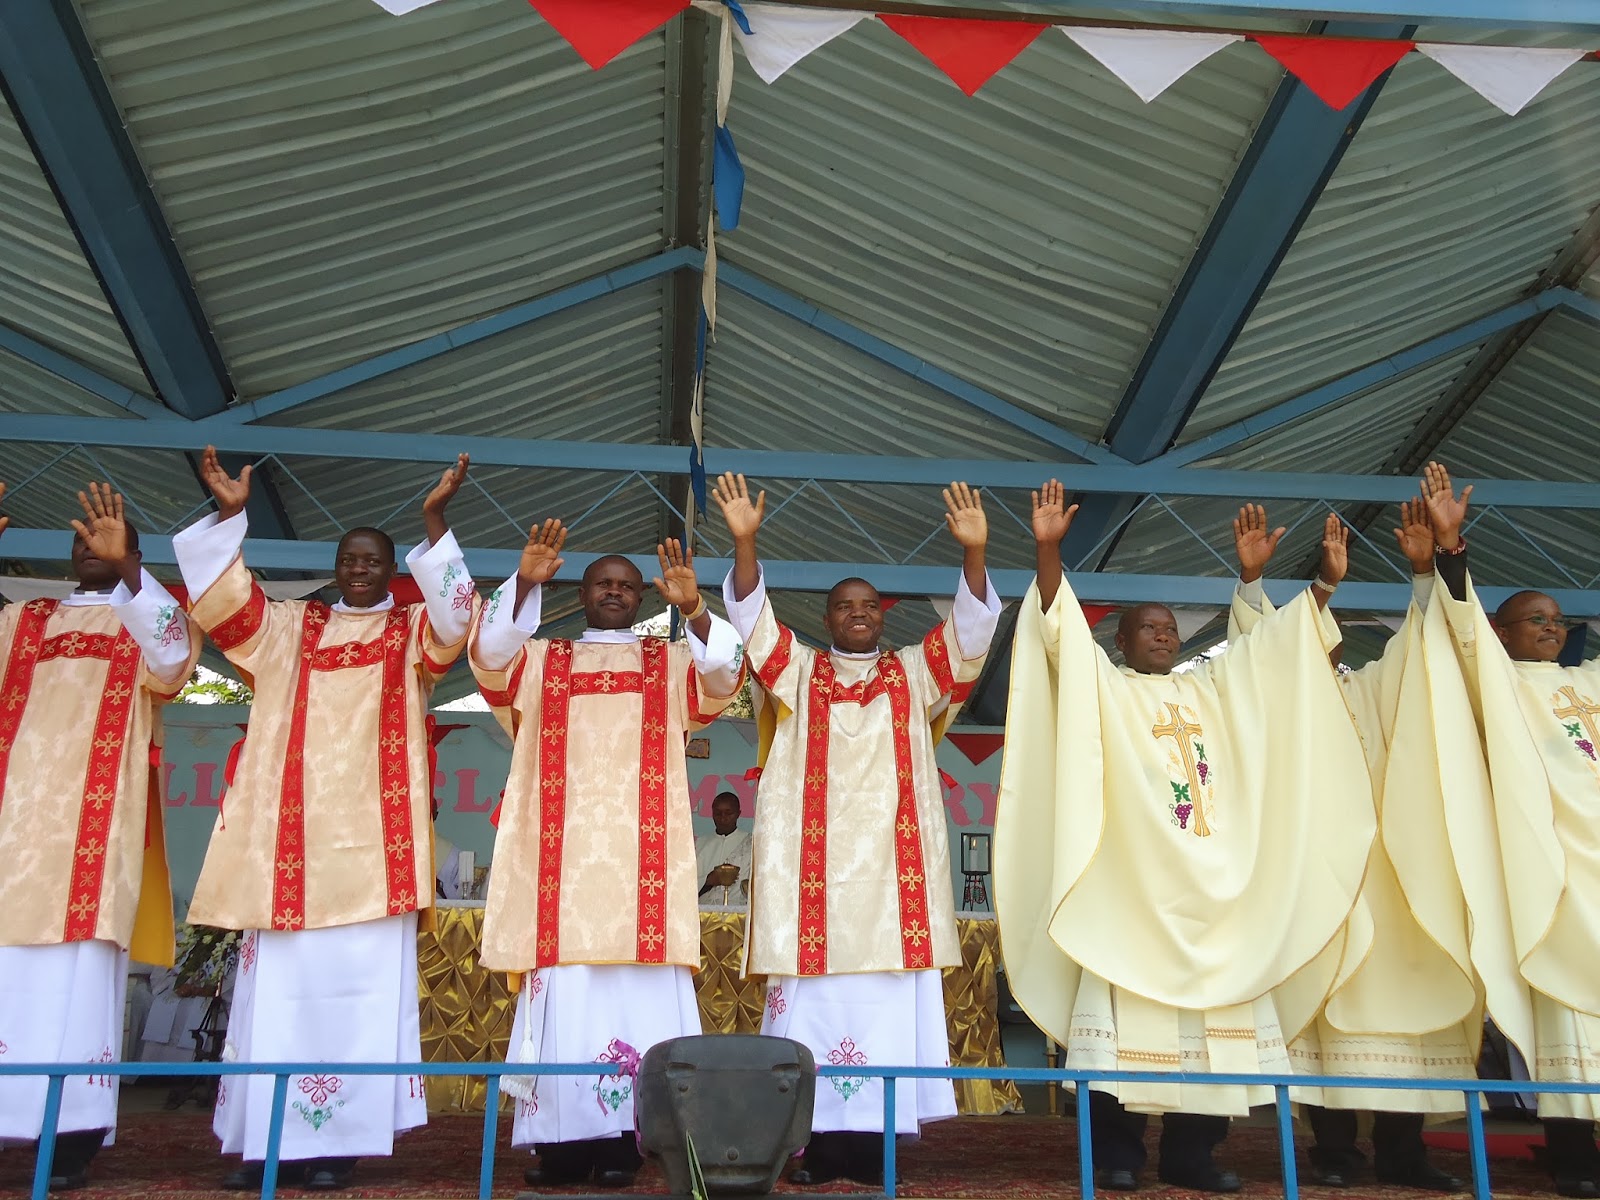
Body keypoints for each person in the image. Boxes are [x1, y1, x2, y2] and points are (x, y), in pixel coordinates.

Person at [996, 482, 1375, 1193]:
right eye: (1149, 627)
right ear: (1120, 640)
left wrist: (1310, 581)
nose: (1164, 635)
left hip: (1214, 891)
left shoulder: (1211, 689)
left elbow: (1275, 656)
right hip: (1134, 893)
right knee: (1120, 1043)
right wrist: (1049, 550)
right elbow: (1058, 630)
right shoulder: (1103, 687)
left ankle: (1194, 1156)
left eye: (1171, 627)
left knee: (1212, 1042)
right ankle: (1117, 1155)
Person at [172, 448, 475, 1192]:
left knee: (354, 1004)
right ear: (337, 568)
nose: (362, 569)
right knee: (274, 1003)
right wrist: (228, 517)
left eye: (374, 560)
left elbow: (460, 617)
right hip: (285, 853)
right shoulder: (286, 629)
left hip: (374, 857)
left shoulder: (412, 636)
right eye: (351, 559)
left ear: (389, 568)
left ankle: (337, 1143)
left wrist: (435, 524)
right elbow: (220, 602)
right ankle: (260, 1141)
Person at [713, 473, 1001, 1187]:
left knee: (884, 1022)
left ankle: (878, 1152)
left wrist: (975, 555)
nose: (859, 615)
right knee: (814, 1019)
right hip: (811, 888)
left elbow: (969, 634)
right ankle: (816, 1151)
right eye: (845, 607)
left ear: (884, 616)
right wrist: (745, 543)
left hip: (892, 891)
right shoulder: (798, 672)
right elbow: (751, 625)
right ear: (830, 619)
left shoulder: (914, 672)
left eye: (870, 606)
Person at [470, 523, 745, 1190]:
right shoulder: (540, 660)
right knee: (568, 1004)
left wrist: (695, 610)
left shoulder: (671, 661)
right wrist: (527, 580)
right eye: (604, 584)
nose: (616, 593)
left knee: (634, 1007)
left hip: (644, 874)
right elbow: (485, 657)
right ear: (584, 594)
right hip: (557, 875)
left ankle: (629, 1141)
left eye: (626, 585)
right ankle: (561, 1146)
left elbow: (725, 676)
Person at [1227, 497, 1470, 1192]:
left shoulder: (1374, 687)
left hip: (1393, 888)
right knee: (1322, 1025)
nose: (1315, 645)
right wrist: (1253, 585)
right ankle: (1332, 1156)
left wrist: (1429, 570)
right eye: (1304, 633)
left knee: (1407, 1023)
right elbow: (1254, 655)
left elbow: (1433, 647)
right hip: (1318, 886)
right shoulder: (1288, 702)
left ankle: (1405, 1154)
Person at [0, 483, 198, 1189]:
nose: (92, 551)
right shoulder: (23, 621)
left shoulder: (144, 620)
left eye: (108, 543)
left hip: (93, 834)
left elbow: (176, 660)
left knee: (77, 988)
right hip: (10, 833)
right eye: (82, 543)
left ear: (134, 555)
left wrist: (132, 579)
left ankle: (71, 1140)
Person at [1418, 463, 1600, 1197]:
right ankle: (1576, 1160)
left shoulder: (1588, 684)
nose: (1552, 628)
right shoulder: (1494, 675)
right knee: (1569, 1027)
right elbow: (1459, 626)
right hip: (1555, 872)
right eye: (1536, 619)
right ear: (1504, 630)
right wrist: (1450, 546)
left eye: (1558, 619)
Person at [696, 791, 753, 906]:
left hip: (738, 912)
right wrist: (708, 881)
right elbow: (686, 884)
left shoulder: (750, 843)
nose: (723, 818)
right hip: (704, 912)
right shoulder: (701, 843)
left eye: (728, 813)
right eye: (718, 813)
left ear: (738, 813)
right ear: (712, 814)